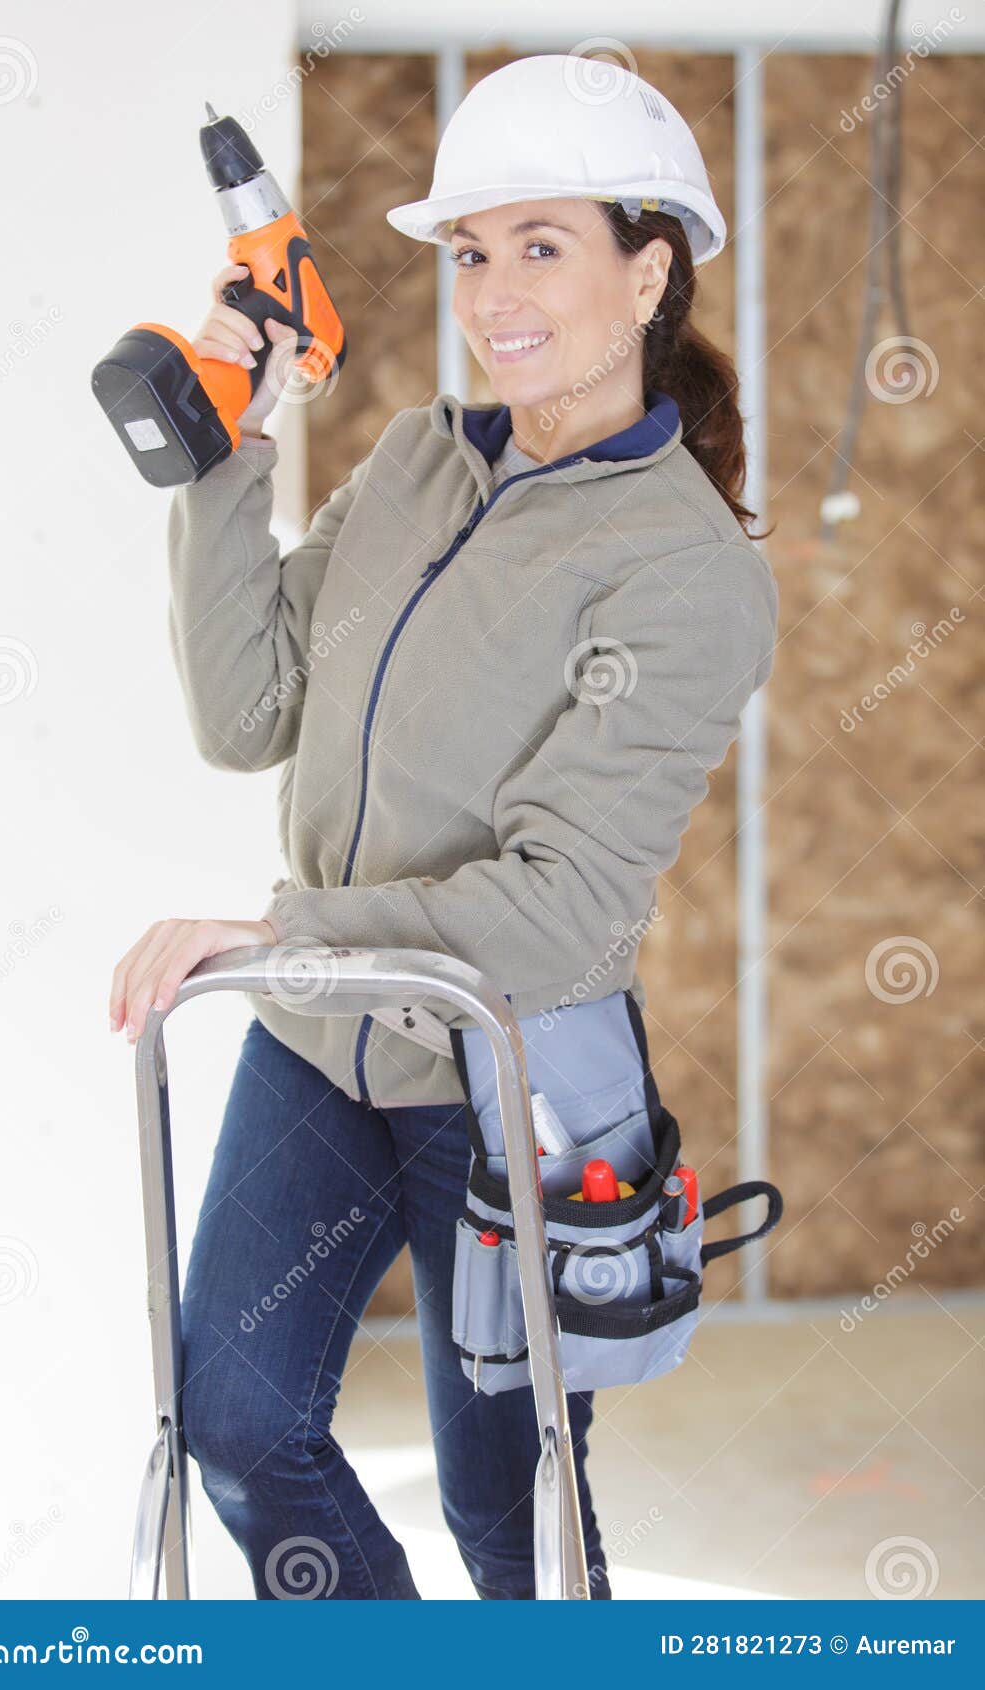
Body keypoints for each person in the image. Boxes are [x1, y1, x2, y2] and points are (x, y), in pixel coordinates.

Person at [109, 54, 778, 1600]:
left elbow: (554, 910)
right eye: (471, 251)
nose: (492, 293)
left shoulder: (682, 571)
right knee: (234, 1419)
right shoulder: (418, 457)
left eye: (541, 244)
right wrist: (228, 452)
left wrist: (283, 933)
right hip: (320, 1043)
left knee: (511, 1516)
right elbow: (247, 711)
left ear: (648, 266)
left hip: (506, 1078)